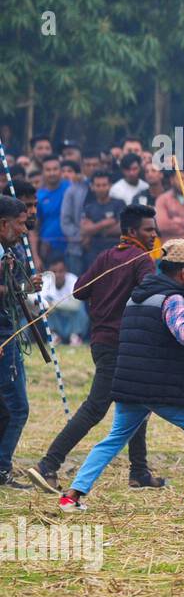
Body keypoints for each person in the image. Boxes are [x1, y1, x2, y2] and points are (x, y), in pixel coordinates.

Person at [59, 239, 184, 515]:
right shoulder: (172, 298)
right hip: (160, 388)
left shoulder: (139, 295)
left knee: (114, 437)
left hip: (131, 385)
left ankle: (72, 496)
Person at [27, 206, 166, 493]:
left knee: (137, 404)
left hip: (102, 341)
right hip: (121, 345)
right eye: (148, 230)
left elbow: (80, 291)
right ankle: (47, 465)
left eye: (154, 229)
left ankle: (139, 471)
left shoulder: (107, 257)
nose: (154, 235)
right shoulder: (142, 260)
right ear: (130, 232)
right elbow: (150, 297)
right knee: (95, 408)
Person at [0, 195, 39, 488]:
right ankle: (2, 470)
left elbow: (12, 290)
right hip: (4, 337)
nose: (25, 230)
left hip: (10, 331)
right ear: (3, 225)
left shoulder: (11, 253)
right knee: (17, 407)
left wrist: (23, 286)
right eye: (21, 224)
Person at [36, 256, 88, 344]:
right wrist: (50, 305)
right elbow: (39, 304)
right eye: (54, 272)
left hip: (71, 322)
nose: (57, 275)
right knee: (44, 307)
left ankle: (75, 337)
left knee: (80, 305)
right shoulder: (45, 282)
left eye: (61, 271)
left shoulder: (73, 280)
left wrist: (53, 304)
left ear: (66, 271)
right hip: (56, 322)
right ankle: (54, 335)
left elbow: (75, 306)